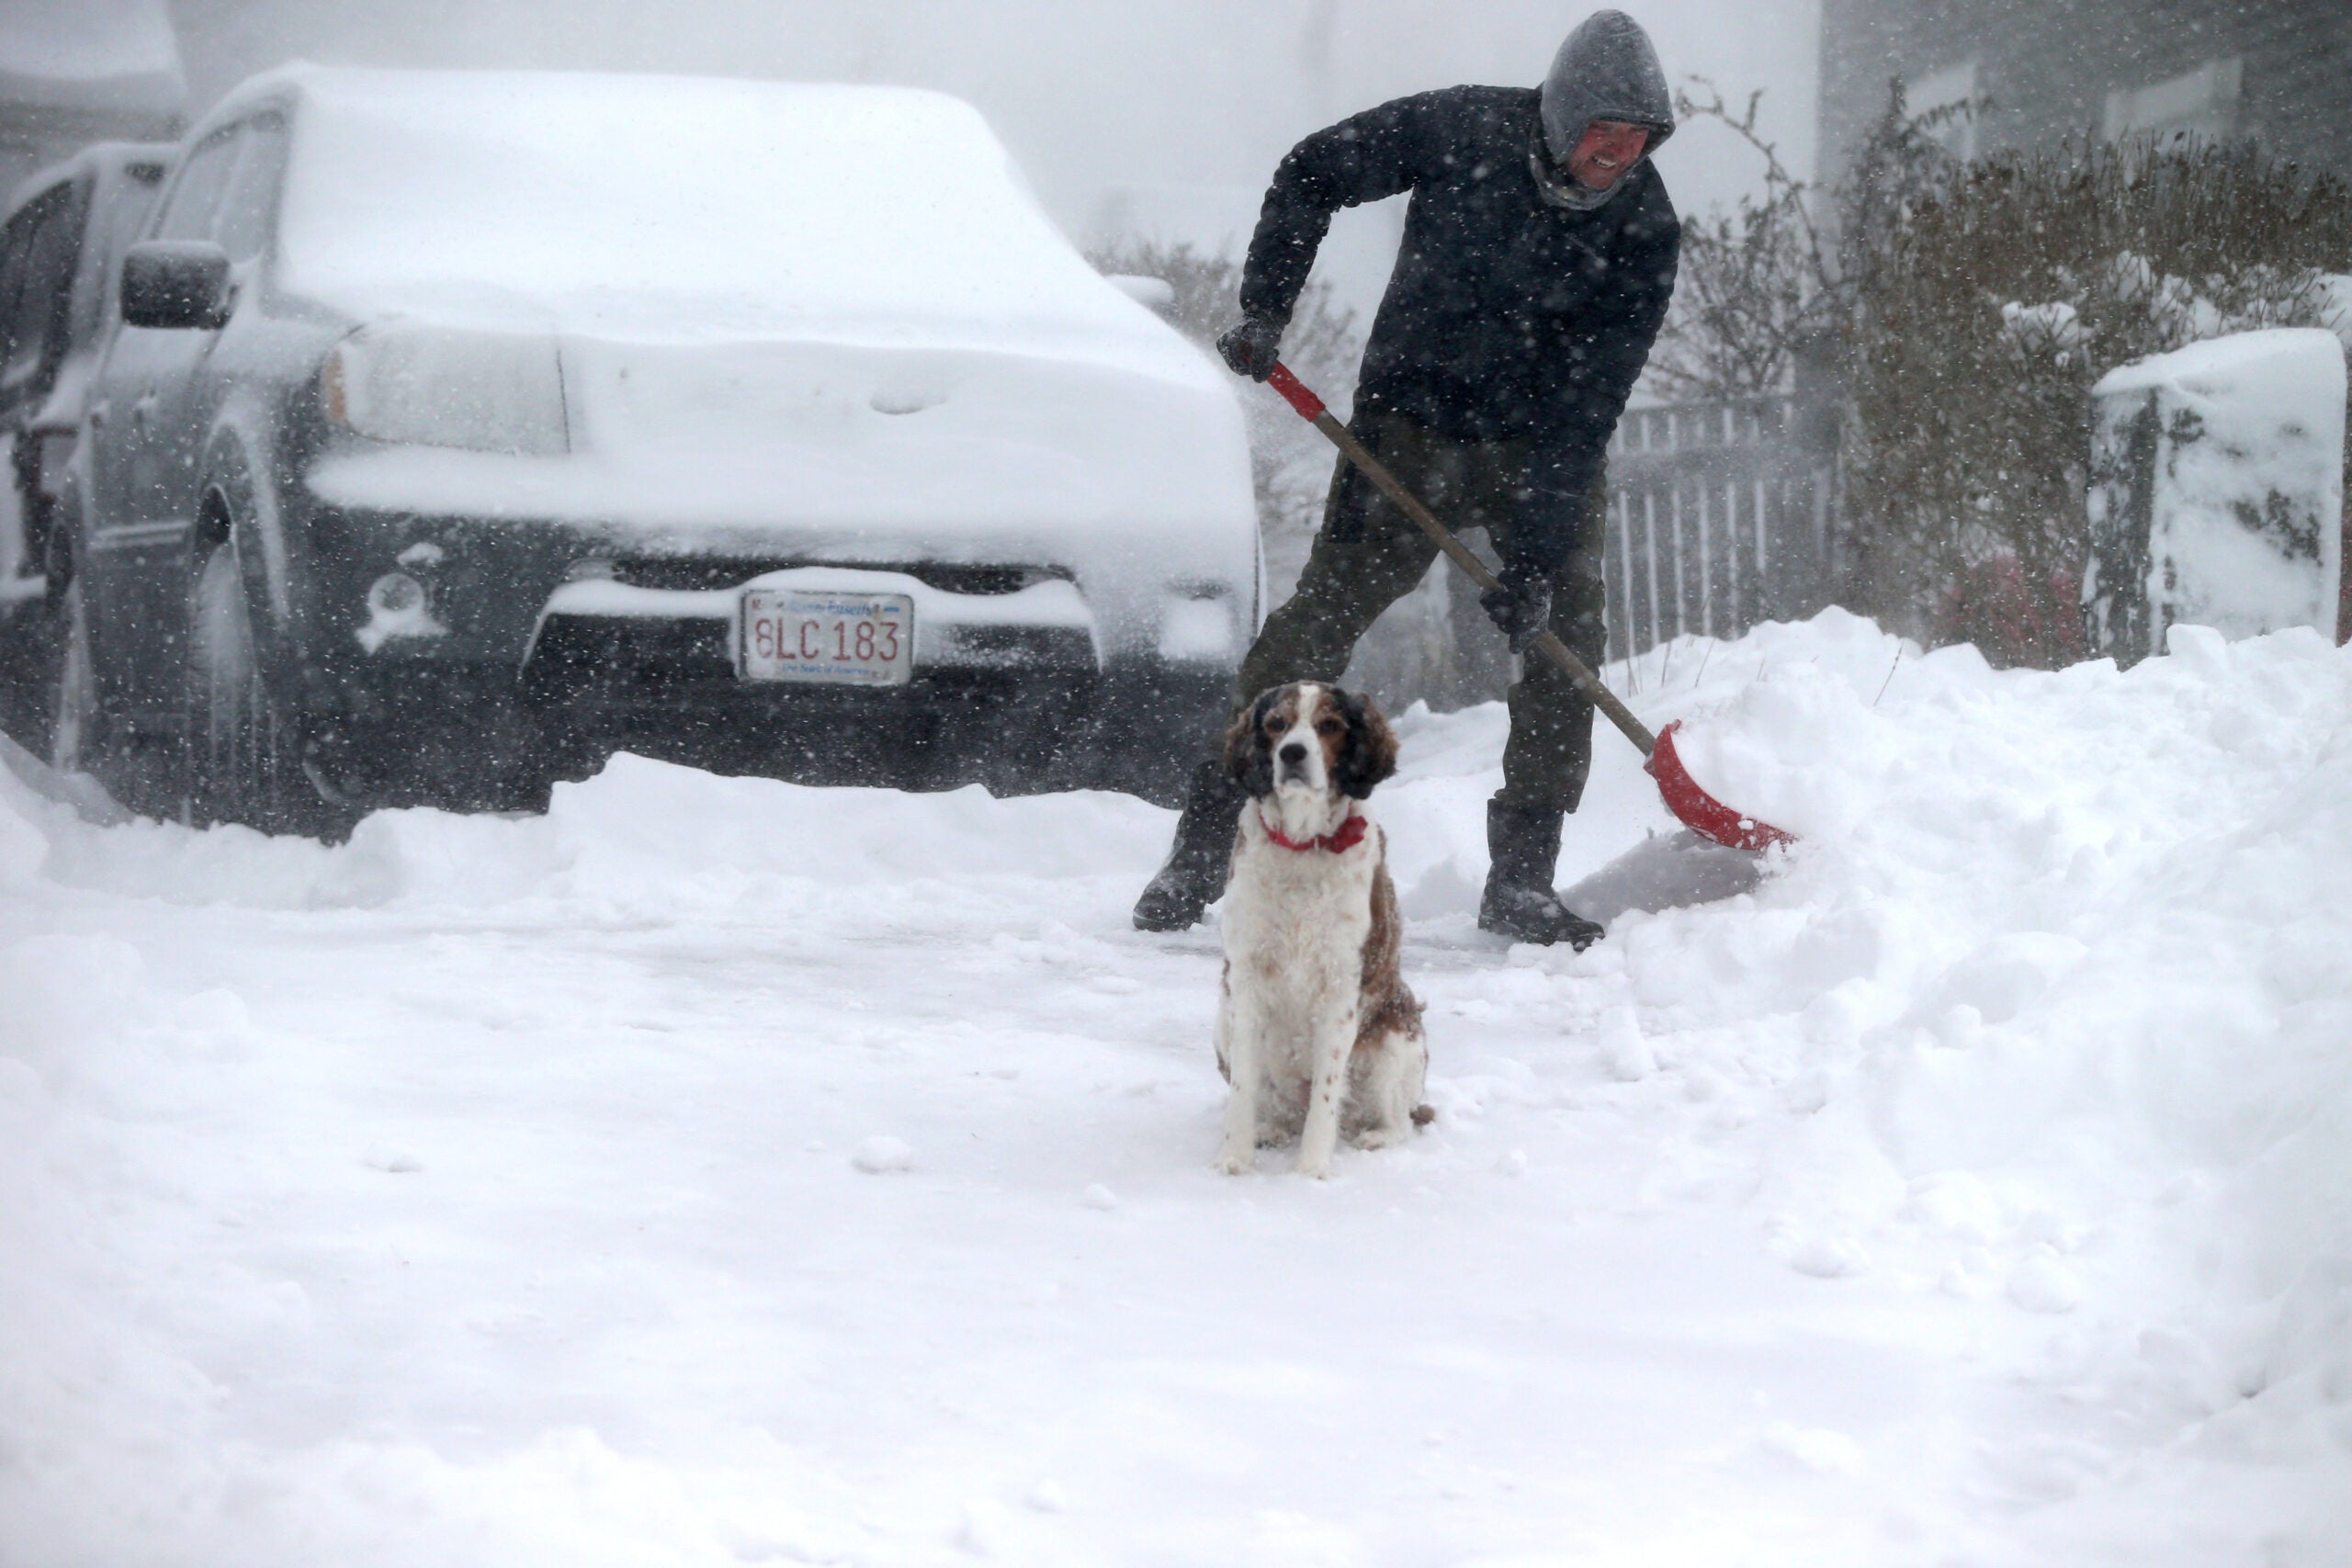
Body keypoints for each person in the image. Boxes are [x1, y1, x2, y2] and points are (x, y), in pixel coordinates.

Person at [1133, 8, 1681, 946]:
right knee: (1316, 625)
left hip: (1538, 449)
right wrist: (1266, 307)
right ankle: (1203, 841)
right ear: (1560, 118)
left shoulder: (1644, 229)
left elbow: (1588, 410)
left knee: (1564, 640)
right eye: (1602, 134)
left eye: (1634, 143)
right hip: (1406, 433)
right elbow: (1311, 170)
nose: (1615, 156)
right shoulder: (1463, 131)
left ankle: (1521, 881)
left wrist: (1537, 563)